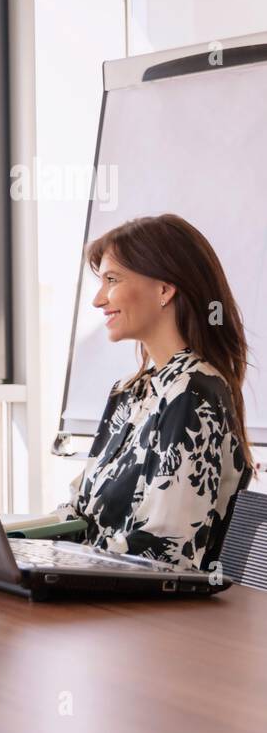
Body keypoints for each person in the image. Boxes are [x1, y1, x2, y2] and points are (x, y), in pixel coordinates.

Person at [56, 214, 255, 571]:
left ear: (164, 290)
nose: (98, 300)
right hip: (103, 593)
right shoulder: (129, 393)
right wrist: (17, 540)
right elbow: (79, 515)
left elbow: (166, 551)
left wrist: (69, 561)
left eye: (112, 281)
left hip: (155, 614)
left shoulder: (193, 393)